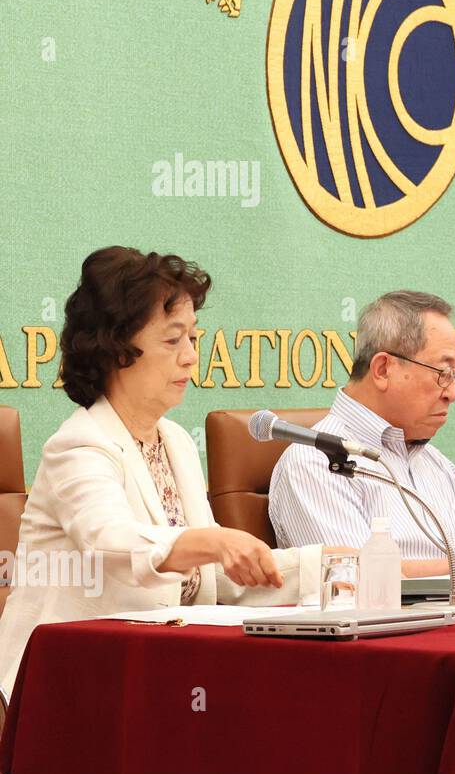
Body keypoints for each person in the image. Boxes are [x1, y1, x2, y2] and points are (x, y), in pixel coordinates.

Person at [0, 247, 322, 700]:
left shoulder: (175, 442)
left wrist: (323, 566)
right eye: (173, 341)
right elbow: (111, 543)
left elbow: (213, 582)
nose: (191, 357)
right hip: (67, 687)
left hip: (160, 674)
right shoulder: (80, 445)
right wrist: (214, 541)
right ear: (116, 350)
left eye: (193, 338)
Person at [270, 290, 455, 586]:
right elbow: (356, 579)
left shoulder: (438, 466)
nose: (452, 393)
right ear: (383, 369)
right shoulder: (315, 460)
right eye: (443, 373)